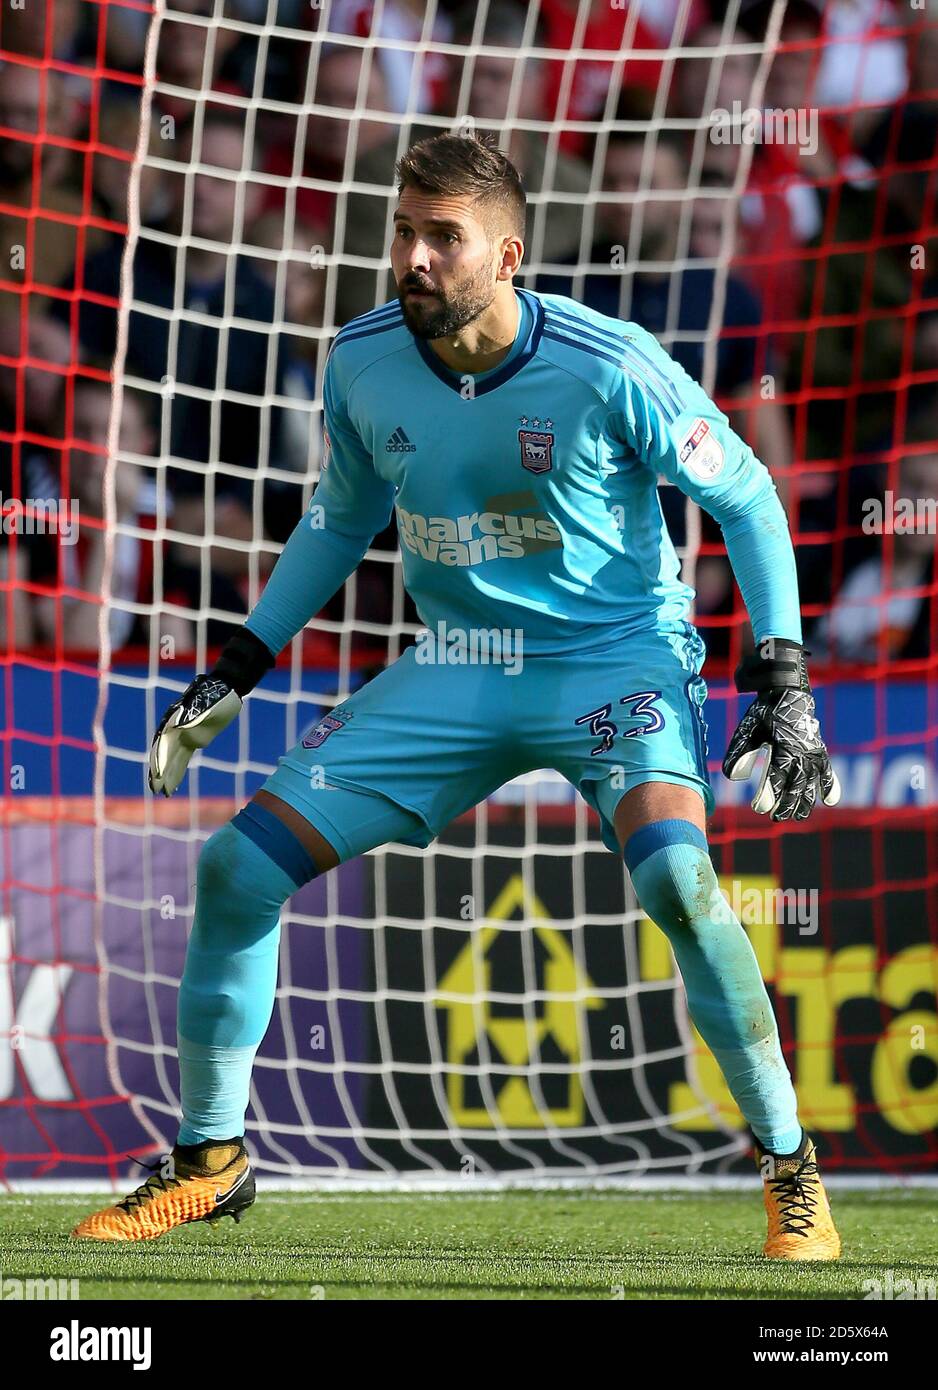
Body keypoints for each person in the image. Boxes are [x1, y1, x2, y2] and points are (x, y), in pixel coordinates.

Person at [71, 133, 842, 1260]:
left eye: (444, 236)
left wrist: (780, 677)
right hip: (462, 661)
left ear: (508, 253)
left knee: (680, 880)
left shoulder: (607, 360)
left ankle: (790, 1175)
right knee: (235, 865)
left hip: (613, 658)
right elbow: (339, 519)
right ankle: (210, 1161)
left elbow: (750, 496)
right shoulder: (361, 358)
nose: (414, 257)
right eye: (403, 231)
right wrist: (238, 659)